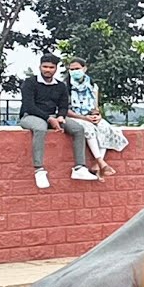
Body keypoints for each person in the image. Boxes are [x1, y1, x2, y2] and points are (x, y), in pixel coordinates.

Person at [18, 53, 98, 188]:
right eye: (45, 67)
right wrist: (49, 119)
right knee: (40, 128)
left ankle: (79, 167)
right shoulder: (30, 83)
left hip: (53, 116)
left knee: (78, 129)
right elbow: (29, 106)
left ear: (55, 69)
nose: (48, 70)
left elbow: (63, 105)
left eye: (51, 67)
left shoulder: (60, 86)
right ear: (40, 67)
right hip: (30, 116)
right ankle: (39, 170)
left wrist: (60, 116)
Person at [65, 58, 128, 177]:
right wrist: (84, 118)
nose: (74, 71)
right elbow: (65, 110)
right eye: (71, 69)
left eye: (77, 68)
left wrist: (97, 116)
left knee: (104, 127)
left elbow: (95, 106)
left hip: (90, 115)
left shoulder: (92, 85)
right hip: (75, 116)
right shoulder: (65, 87)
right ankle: (101, 162)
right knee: (89, 128)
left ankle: (97, 165)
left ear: (84, 68)